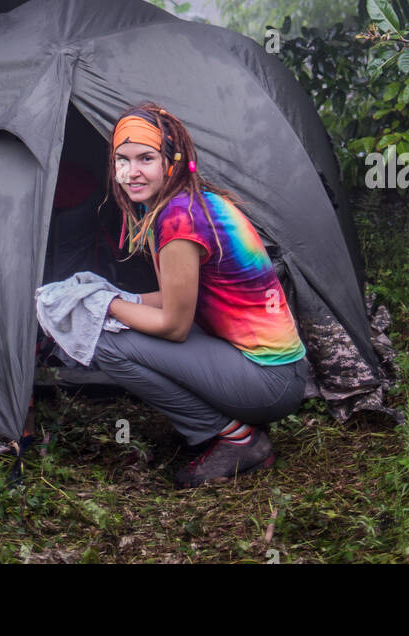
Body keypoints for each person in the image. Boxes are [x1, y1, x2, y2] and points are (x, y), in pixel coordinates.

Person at [95, 102, 309, 487]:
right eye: (121, 160)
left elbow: (175, 326)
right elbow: (177, 297)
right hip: (276, 371)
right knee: (117, 320)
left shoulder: (177, 218)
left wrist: (106, 306)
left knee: (105, 342)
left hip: (268, 380)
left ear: (172, 161)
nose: (132, 172)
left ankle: (240, 441)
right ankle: (230, 426)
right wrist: (116, 296)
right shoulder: (190, 202)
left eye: (146, 157)